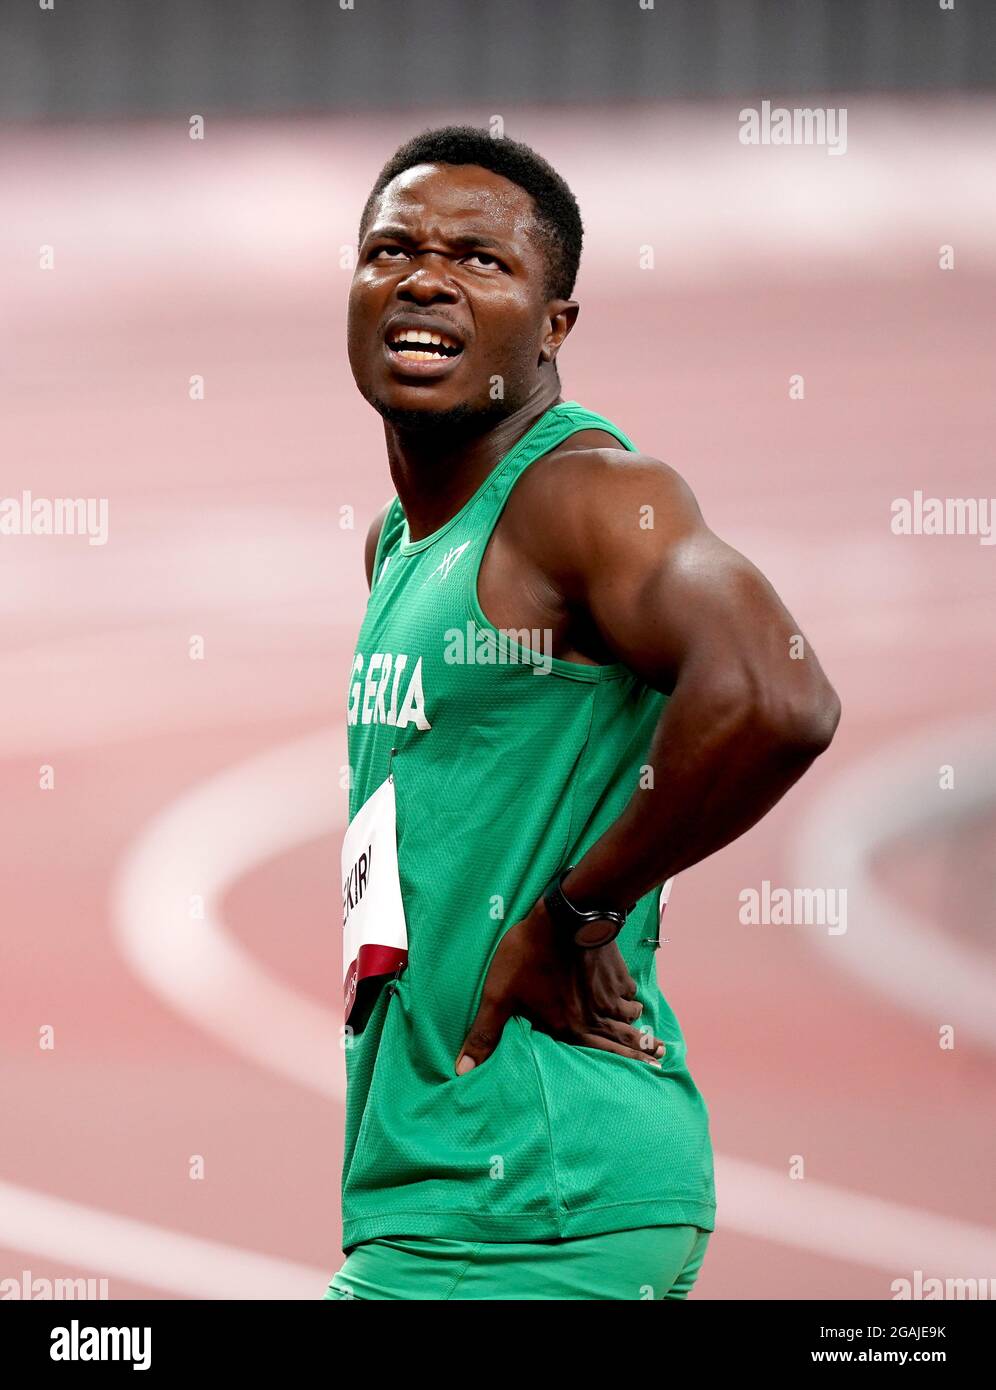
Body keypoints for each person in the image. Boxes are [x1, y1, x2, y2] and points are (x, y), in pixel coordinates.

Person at [325, 126, 840, 1301]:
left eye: (480, 260)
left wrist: (576, 912)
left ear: (554, 325)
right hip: (451, 1190)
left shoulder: (587, 497)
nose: (424, 278)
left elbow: (778, 691)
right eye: (390, 249)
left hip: (531, 1197)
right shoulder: (400, 543)